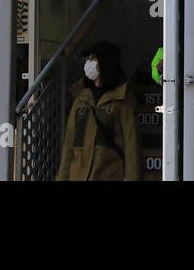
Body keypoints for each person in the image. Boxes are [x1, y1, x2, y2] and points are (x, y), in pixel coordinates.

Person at [55, 41, 141, 181]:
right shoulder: (81, 97)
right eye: (87, 59)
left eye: (92, 58)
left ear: (105, 62)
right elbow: (69, 144)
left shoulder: (122, 98)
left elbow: (131, 145)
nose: (88, 63)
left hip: (109, 174)